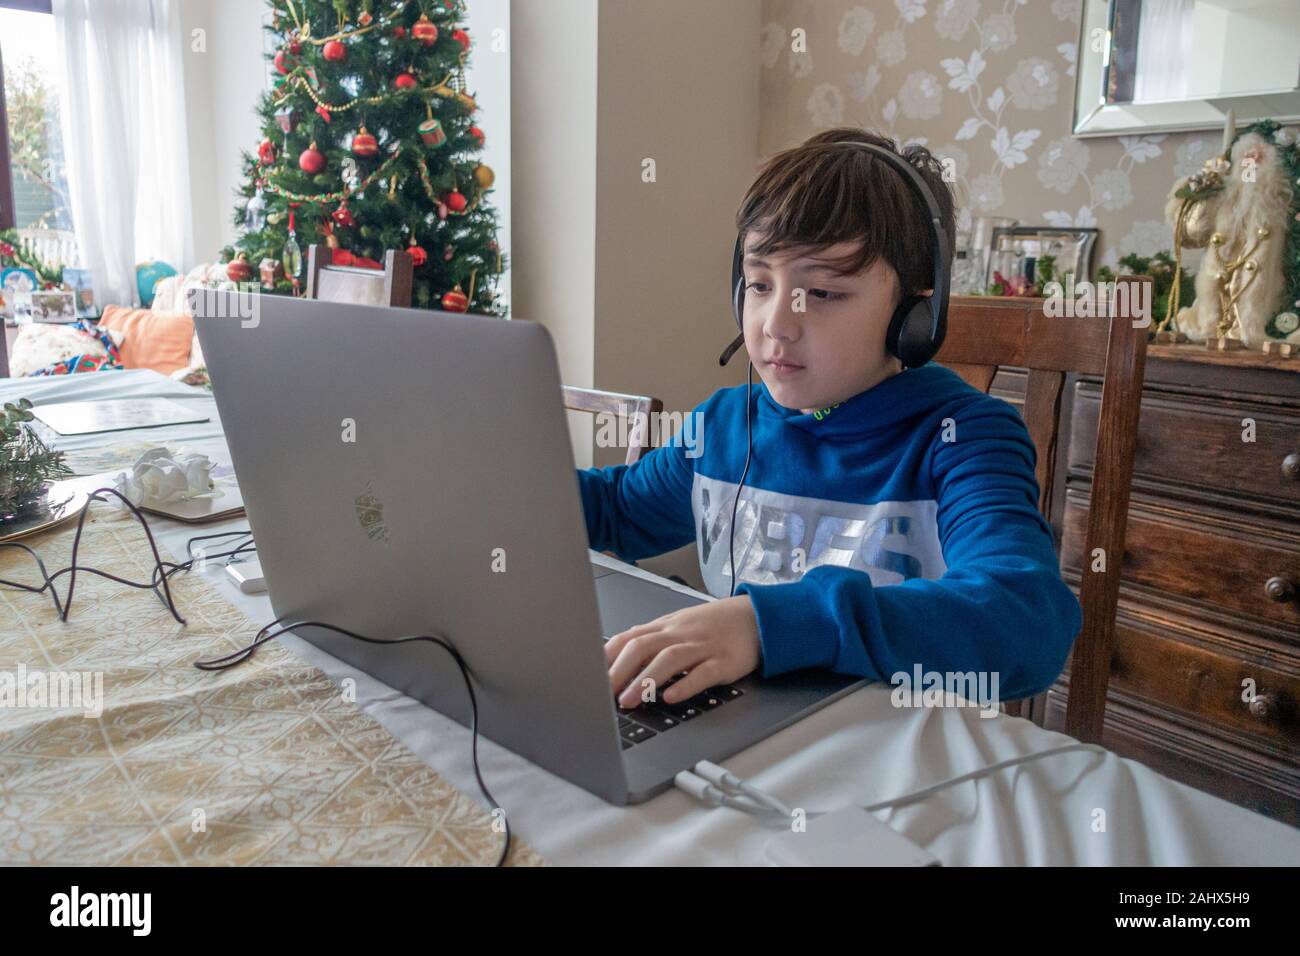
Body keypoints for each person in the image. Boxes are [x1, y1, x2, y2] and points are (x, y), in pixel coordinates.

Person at [578, 127, 1082, 712]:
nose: (775, 324)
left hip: (893, 758)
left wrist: (766, 626)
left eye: (820, 293)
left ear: (913, 315)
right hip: (744, 738)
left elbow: (1026, 621)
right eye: (761, 284)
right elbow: (611, 510)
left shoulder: (964, 440)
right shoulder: (722, 428)